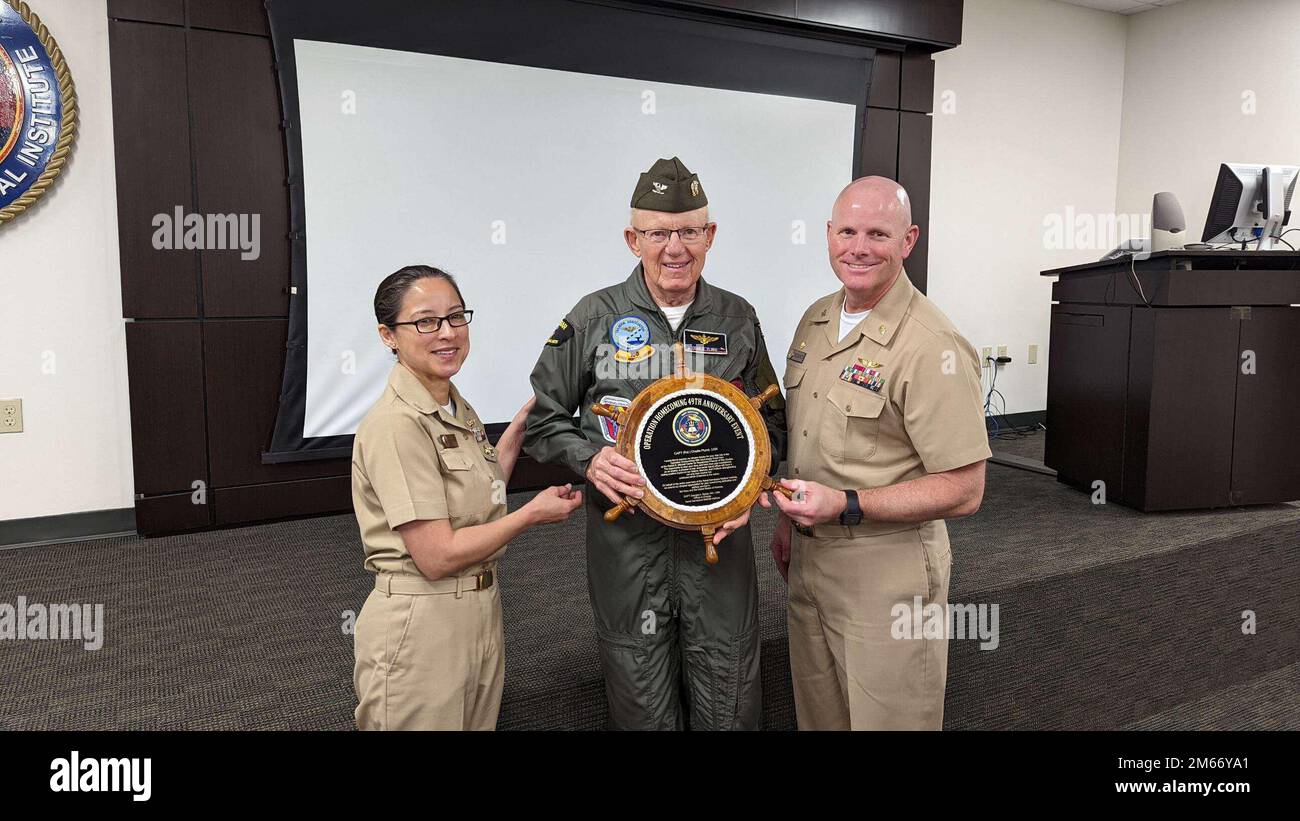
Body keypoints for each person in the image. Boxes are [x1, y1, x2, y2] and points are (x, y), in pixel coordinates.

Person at [524, 158, 786, 730]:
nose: (675, 247)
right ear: (632, 238)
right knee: (638, 689)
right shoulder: (593, 317)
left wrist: (750, 493)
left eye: (690, 230)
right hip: (628, 545)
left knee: (731, 690)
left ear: (709, 235)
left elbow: (774, 427)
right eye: (658, 232)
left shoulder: (738, 318)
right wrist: (590, 460)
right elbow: (544, 420)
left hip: (718, 543)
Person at [761, 176, 990, 730]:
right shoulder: (815, 321)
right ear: (828, 235)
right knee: (822, 718)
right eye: (846, 231)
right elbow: (807, 439)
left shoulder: (932, 346)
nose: (858, 247)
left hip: (886, 571)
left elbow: (965, 489)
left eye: (877, 233)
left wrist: (846, 503)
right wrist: (792, 525)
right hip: (810, 560)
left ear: (908, 240)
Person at [351, 264, 583, 730]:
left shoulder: (451, 404)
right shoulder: (398, 424)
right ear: (388, 335)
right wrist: (529, 515)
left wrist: (517, 429)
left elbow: (481, 486)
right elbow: (436, 556)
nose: (447, 333)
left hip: (477, 611)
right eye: (425, 321)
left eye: (456, 317)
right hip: (421, 623)